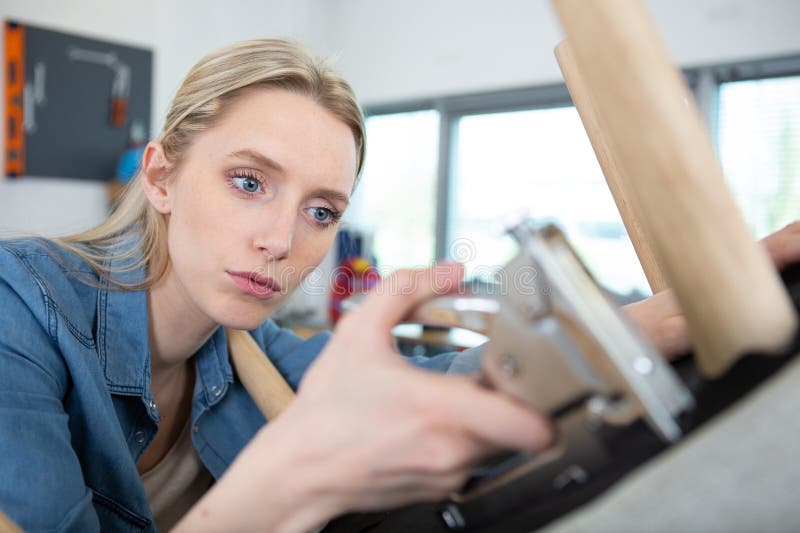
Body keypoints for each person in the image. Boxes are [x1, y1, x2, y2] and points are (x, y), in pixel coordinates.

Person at [0, 38, 797, 533]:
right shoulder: (19, 303)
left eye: (321, 209)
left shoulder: (246, 346)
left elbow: (445, 380)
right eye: (249, 182)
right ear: (163, 176)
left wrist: (740, 273)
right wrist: (297, 477)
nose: (282, 240)